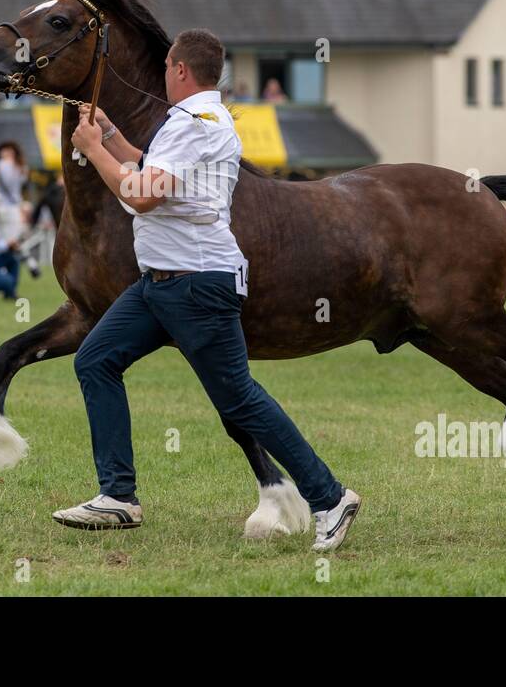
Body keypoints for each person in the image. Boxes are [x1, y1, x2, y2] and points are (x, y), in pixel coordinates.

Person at [57, 28, 361, 551]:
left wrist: (90, 149)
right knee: (95, 360)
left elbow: (141, 195)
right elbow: (152, 170)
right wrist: (109, 136)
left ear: (179, 70)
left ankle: (329, 497)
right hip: (159, 283)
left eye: (166, 69)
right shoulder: (196, 120)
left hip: (196, 285)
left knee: (239, 399)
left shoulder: (192, 123)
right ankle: (118, 497)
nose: (163, 77)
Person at [0, 140, 40, 276]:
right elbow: (20, 182)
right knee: (12, 241)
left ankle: (7, 270)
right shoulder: (21, 167)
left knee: (4, 242)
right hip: (13, 207)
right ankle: (29, 262)